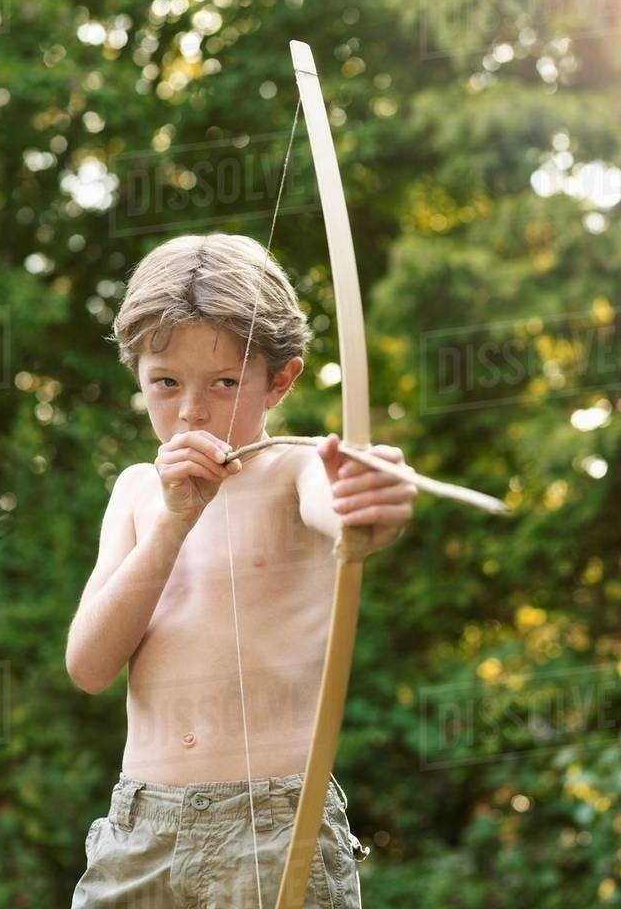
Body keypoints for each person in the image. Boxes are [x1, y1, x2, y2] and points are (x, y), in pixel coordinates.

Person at [65, 231, 415, 908]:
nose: (192, 411)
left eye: (224, 383)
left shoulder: (300, 468)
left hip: (276, 826)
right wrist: (174, 519)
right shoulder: (139, 492)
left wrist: (374, 500)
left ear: (279, 379)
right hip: (141, 826)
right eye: (165, 383)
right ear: (136, 375)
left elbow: (350, 519)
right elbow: (89, 666)